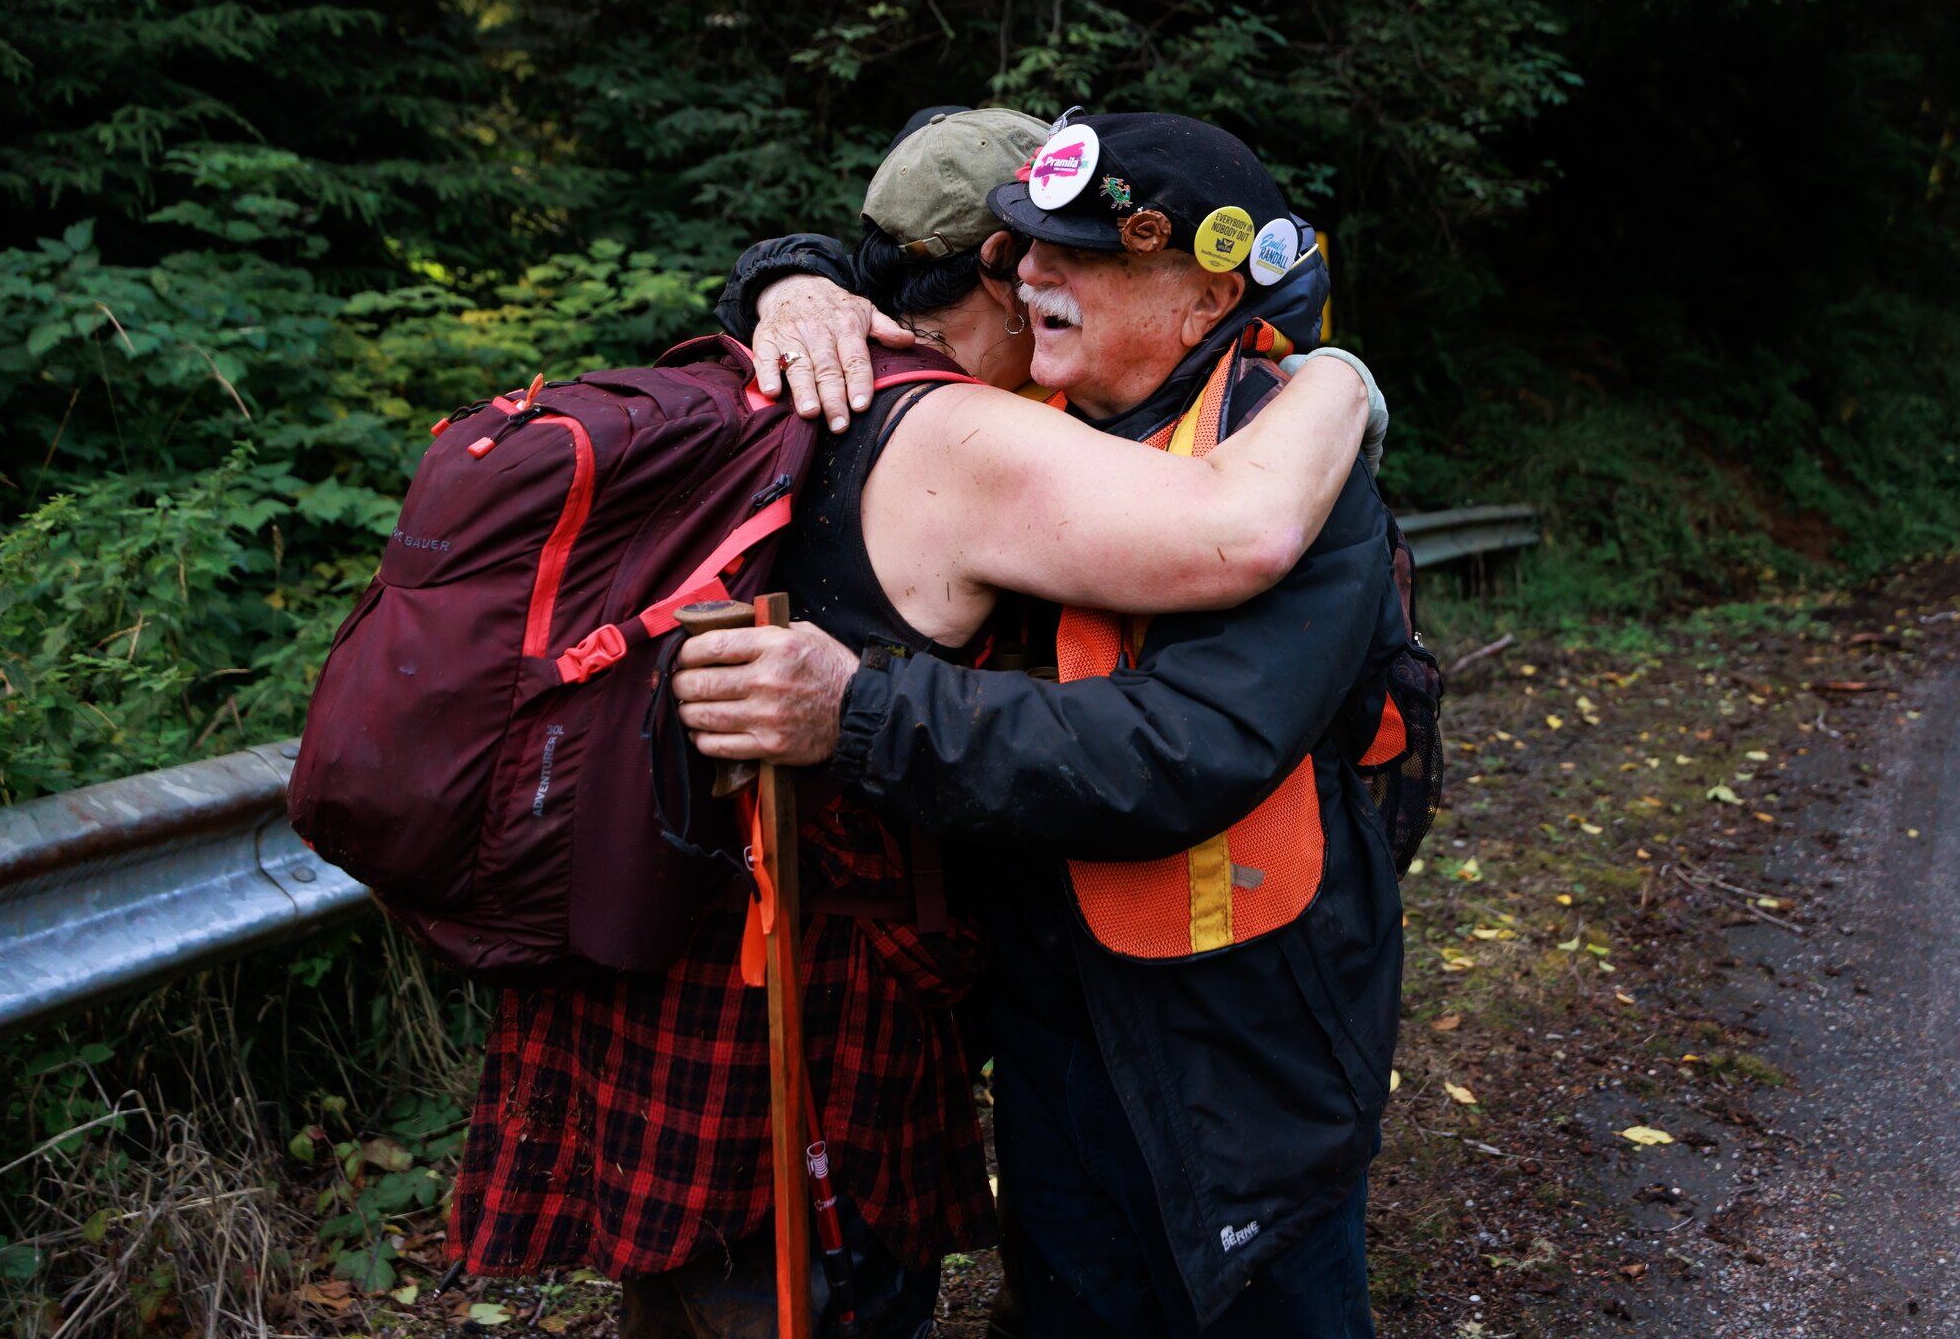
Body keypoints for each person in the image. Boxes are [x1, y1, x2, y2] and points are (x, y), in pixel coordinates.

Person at [452, 107, 1381, 1339]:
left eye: (1074, 253)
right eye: (1019, 250)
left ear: (1206, 297)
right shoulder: (982, 412)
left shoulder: (1257, 456)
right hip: (1008, 1012)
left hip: (1233, 1030)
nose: (1039, 274)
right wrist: (793, 278)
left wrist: (856, 708)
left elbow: (1186, 735)